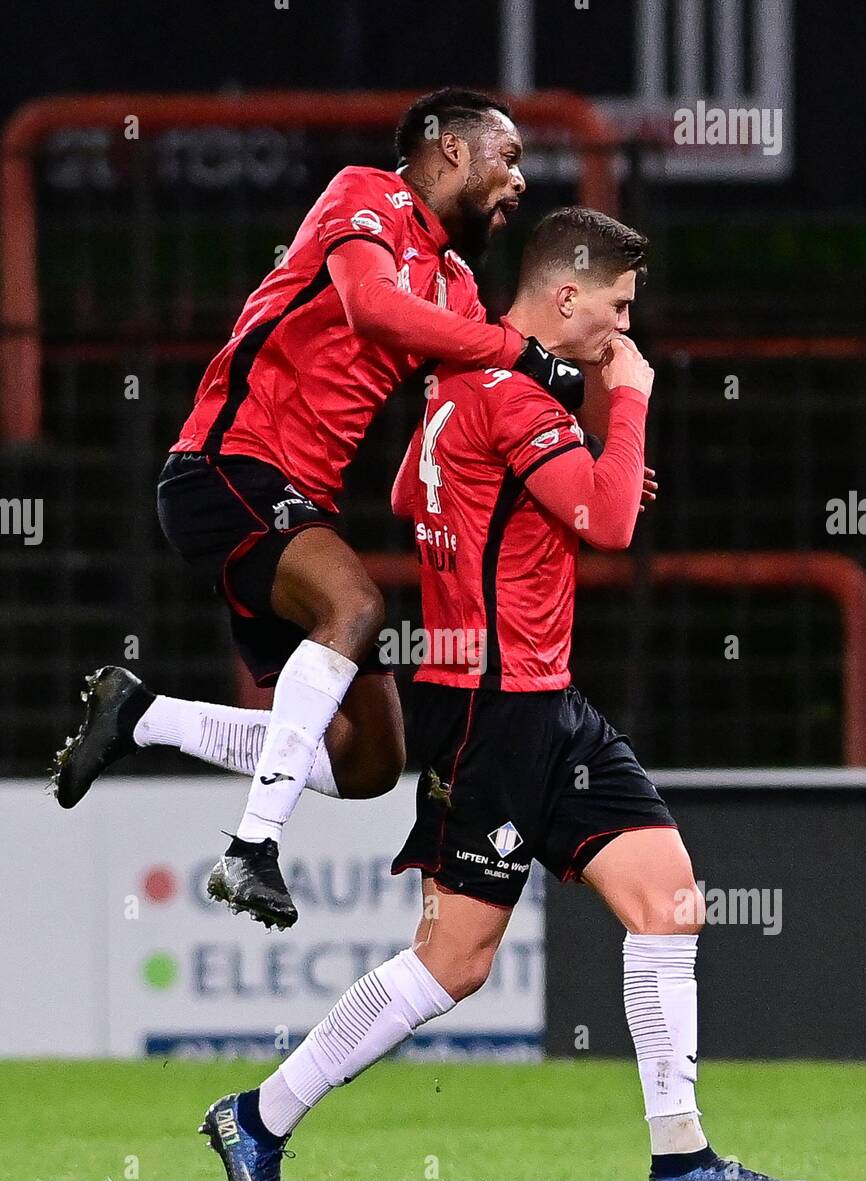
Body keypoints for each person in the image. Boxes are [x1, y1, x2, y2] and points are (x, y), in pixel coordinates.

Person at [194, 206, 812, 1181]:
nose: (621, 334)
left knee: (666, 904)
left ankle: (682, 1160)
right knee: (454, 963)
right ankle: (257, 1116)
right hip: (491, 711)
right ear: (564, 295)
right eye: (615, 310)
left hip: (546, 699)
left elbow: (408, 488)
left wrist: (552, 483)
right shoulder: (524, 394)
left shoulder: (456, 385)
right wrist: (628, 410)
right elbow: (609, 523)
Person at [51, 88, 583, 933]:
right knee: (358, 606)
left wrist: (585, 423)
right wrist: (518, 350)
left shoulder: (455, 285)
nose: (520, 182)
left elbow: (472, 398)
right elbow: (373, 306)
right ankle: (251, 850)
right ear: (447, 151)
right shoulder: (365, 194)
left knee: (372, 760)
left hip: (297, 505)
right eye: (508, 158)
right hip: (224, 466)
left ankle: (141, 716)